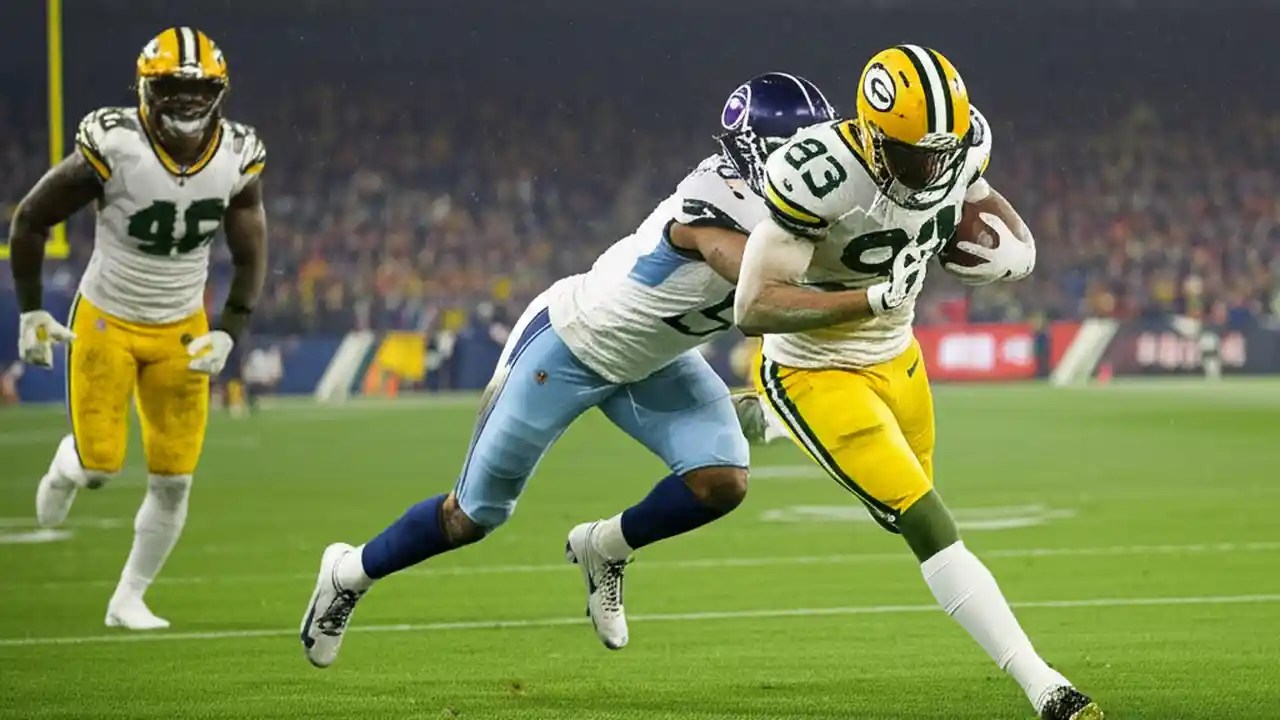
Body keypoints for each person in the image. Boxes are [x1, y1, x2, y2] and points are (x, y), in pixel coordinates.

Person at [299, 73, 836, 667]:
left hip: (655, 360)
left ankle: (605, 547)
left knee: (722, 483)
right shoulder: (711, 199)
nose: (816, 163)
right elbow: (758, 288)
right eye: (799, 148)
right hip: (569, 346)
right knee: (472, 517)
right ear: (757, 152)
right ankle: (348, 574)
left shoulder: (801, 206)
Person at [731, 46, 1101, 720]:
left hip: (900, 359)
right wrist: (867, 300)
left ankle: (766, 422)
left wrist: (1016, 249)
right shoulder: (817, 176)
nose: (933, 168)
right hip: (815, 368)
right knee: (924, 519)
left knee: (904, 499)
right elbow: (752, 306)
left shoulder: (959, 148)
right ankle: (1044, 684)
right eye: (915, 154)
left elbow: (978, 198)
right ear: (873, 136)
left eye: (943, 152)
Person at [8, 27, 268, 630]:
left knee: (175, 481)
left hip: (182, 328)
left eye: (196, 89)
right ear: (146, 89)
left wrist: (229, 330)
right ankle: (70, 463)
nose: (183, 102)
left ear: (219, 93)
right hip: (108, 317)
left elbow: (252, 251)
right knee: (101, 467)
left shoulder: (238, 154)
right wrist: (30, 309)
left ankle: (128, 597)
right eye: (171, 88)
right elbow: (30, 219)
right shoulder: (116, 144)